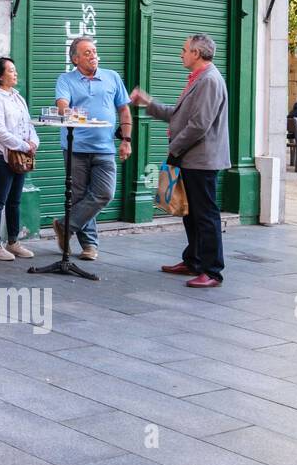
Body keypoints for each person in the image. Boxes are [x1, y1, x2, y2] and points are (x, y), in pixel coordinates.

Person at [130, 34, 231, 289]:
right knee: (192, 213)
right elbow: (179, 115)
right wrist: (148, 103)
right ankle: (194, 261)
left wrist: (174, 150)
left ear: (197, 53)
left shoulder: (209, 81)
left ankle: (212, 271)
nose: (181, 54)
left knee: (206, 215)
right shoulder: (198, 79)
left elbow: (199, 125)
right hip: (191, 158)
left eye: (184, 50)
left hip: (202, 160)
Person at [52, 36, 133, 260]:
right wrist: (66, 110)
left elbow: (124, 111)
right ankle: (90, 245)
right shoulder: (66, 79)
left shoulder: (112, 77)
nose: (93, 56)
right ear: (75, 59)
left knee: (104, 193)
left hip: (105, 147)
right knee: (78, 196)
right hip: (75, 147)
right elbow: (62, 105)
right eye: (87, 53)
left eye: (94, 51)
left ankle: (65, 227)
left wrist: (126, 140)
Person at [0, 56, 38, 261]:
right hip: (0, 157)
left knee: (15, 201)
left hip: (20, 156)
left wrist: (34, 142)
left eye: (15, 70)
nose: (15, 73)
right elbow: (0, 132)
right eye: (11, 70)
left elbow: (28, 124)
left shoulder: (17, 97)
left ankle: (13, 242)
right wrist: (24, 146)